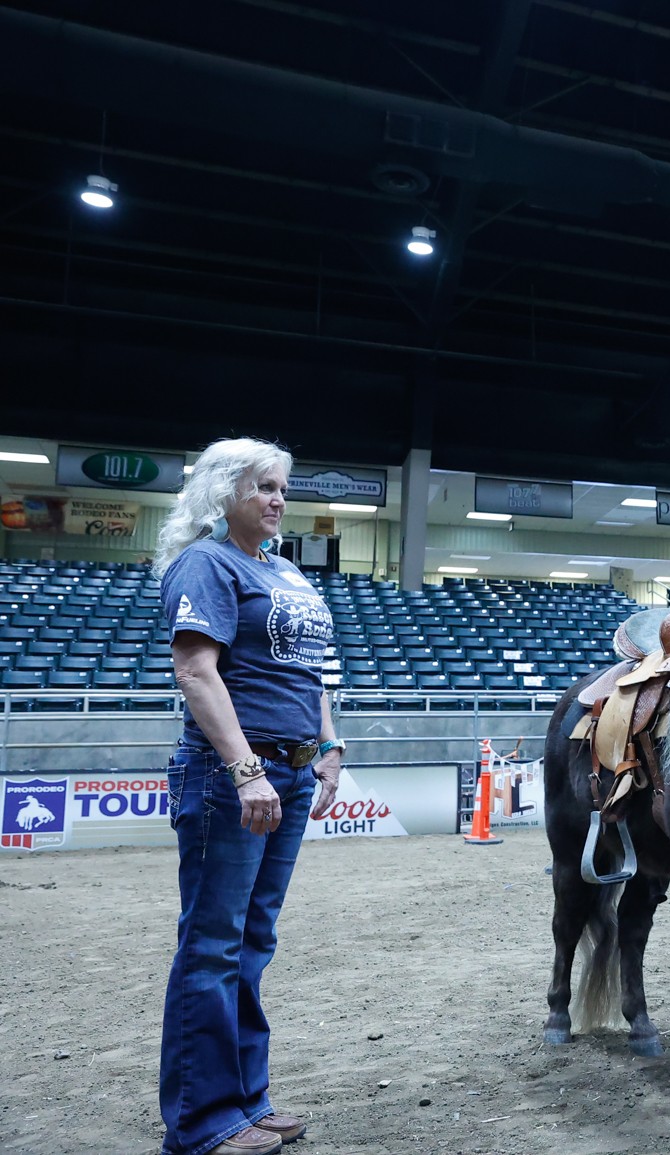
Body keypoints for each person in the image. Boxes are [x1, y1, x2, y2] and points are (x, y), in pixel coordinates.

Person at [153, 438, 345, 1155]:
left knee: (252, 943)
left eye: (282, 488)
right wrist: (244, 769)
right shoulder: (207, 562)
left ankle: (244, 1100)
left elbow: (308, 672)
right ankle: (201, 1121)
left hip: (288, 772)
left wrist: (327, 746)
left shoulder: (284, 569)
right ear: (223, 491)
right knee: (212, 946)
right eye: (264, 486)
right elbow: (196, 671)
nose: (277, 499)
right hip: (231, 774)